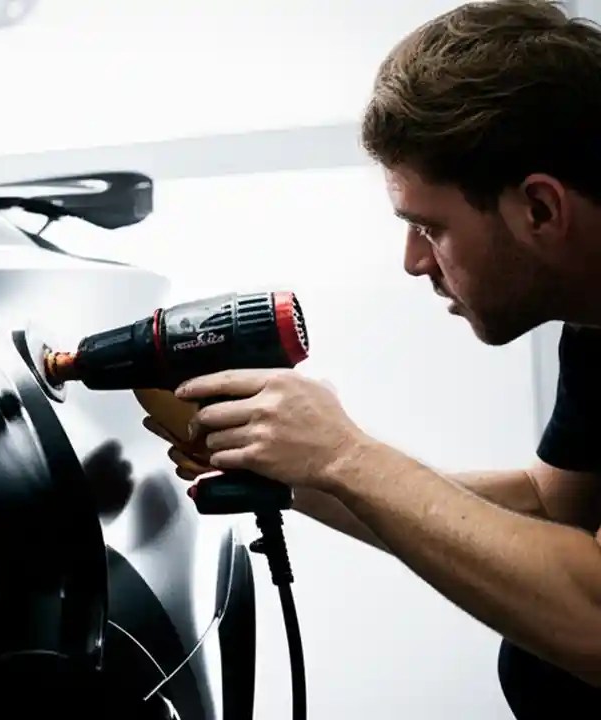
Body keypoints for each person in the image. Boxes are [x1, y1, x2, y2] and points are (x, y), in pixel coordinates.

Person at [139, 1, 601, 716]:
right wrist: (303, 474)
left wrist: (346, 455)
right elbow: (554, 506)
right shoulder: (593, 325)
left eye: (429, 226)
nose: (415, 261)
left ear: (539, 209)